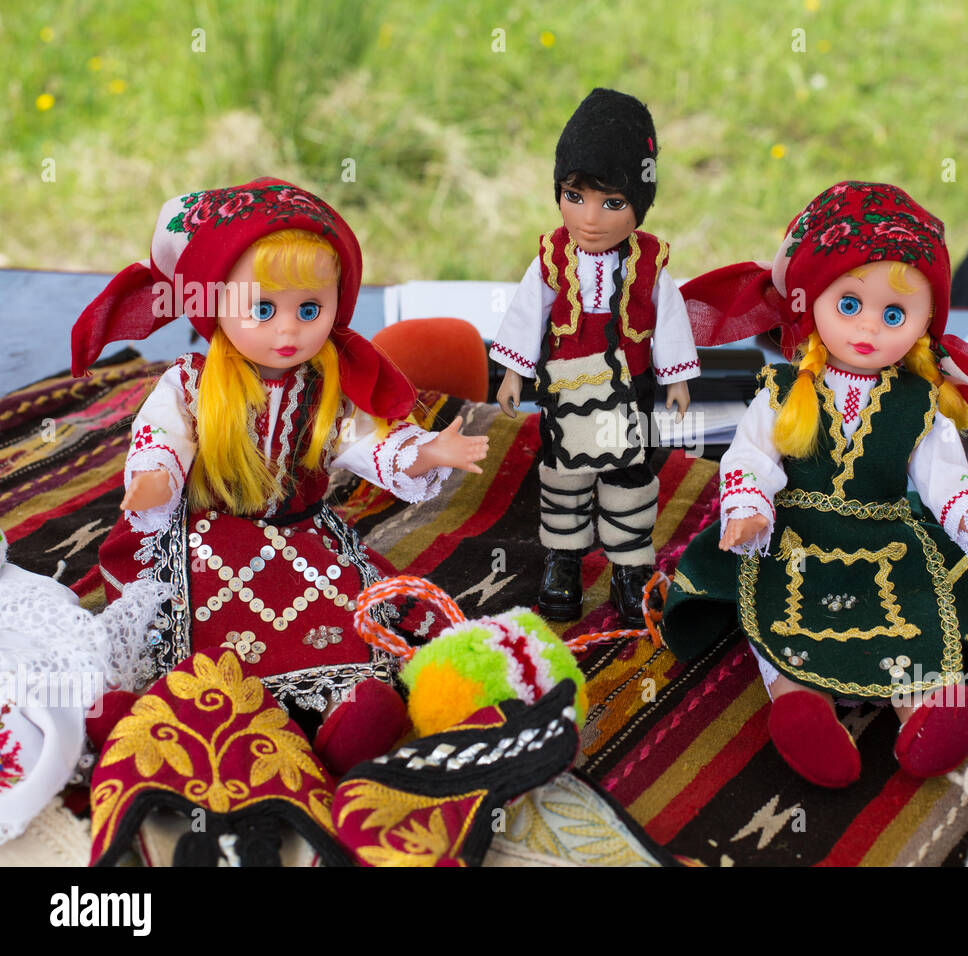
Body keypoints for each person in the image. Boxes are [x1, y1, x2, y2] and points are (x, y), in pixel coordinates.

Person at [69, 178, 489, 774]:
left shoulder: (325, 389)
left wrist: (425, 452)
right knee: (182, 633)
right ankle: (155, 711)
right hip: (206, 538)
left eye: (309, 309)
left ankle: (347, 716)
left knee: (339, 617)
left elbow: (365, 443)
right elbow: (162, 437)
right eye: (262, 309)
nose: (288, 331)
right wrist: (156, 479)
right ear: (214, 304)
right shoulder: (191, 385)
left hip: (301, 537)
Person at [660, 181, 968, 787]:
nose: (869, 328)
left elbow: (943, 478)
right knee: (779, 613)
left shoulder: (920, 401)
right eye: (850, 304)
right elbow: (752, 456)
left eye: (894, 314)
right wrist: (748, 506)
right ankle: (799, 705)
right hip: (790, 530)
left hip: (886, 534)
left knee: (918, 612)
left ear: (926, 322)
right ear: (812, 301)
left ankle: (927, 710)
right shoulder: (784, 389)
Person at [492, 89, 701, 626]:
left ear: (640, 203)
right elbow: (524, 315)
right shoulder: (550, 259)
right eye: (574, 196)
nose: (590, 218)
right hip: (564, 388)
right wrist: (514, 370)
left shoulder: (650, 265)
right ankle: (562, 561)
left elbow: (671, 317)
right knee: (562, 472)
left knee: (630, 472)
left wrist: (677, 377)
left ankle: (629, 567)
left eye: (612, 203)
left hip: (630, 388)